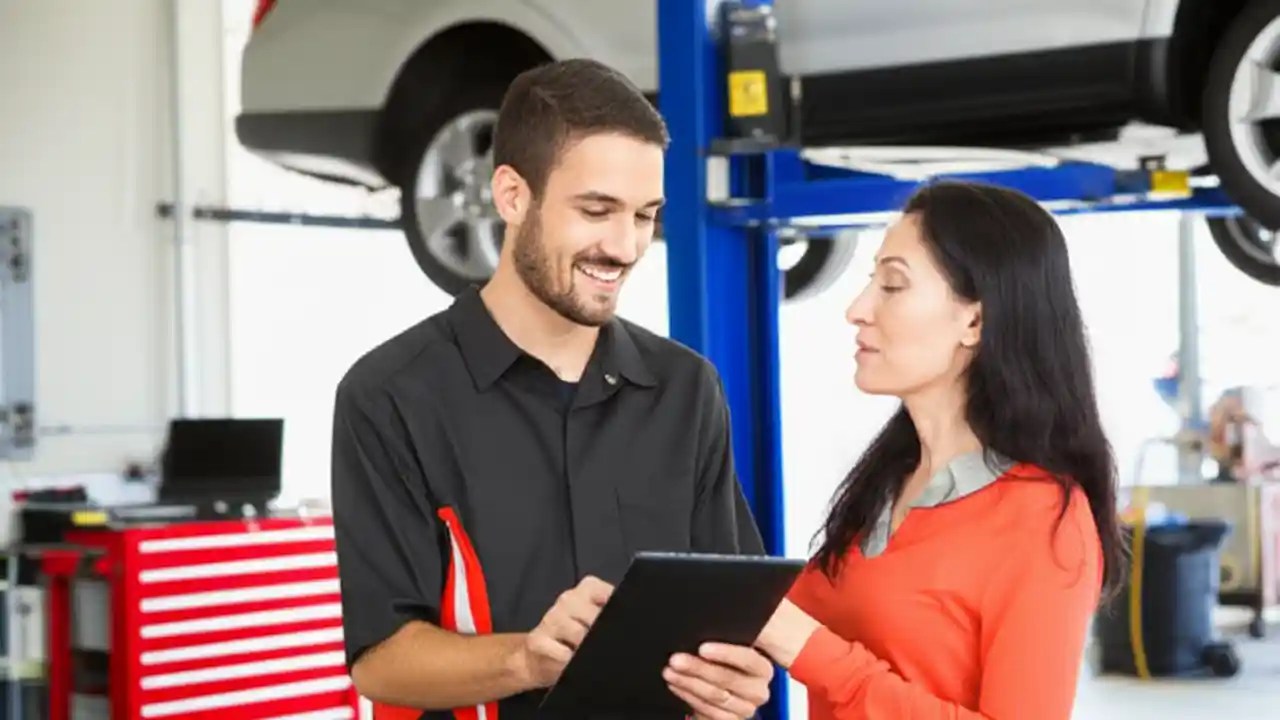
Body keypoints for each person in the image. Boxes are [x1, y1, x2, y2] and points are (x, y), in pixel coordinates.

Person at [329, 58, 773, 720]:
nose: (624, 246)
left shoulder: (687, 391)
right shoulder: (391, 397)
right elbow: (382, 661)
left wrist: (737, 683)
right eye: (597, 210)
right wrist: (525, 659)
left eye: (645, 215)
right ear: (512, 195)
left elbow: (731, 622)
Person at [752, 181, 1127, 719]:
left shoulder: (1042, 518)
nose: (857, 310)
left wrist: (815, 654)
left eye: (893, 285)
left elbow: (807, 643)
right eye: (869, 282)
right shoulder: (884, 486)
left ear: (974, 320)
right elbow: (774, 623)